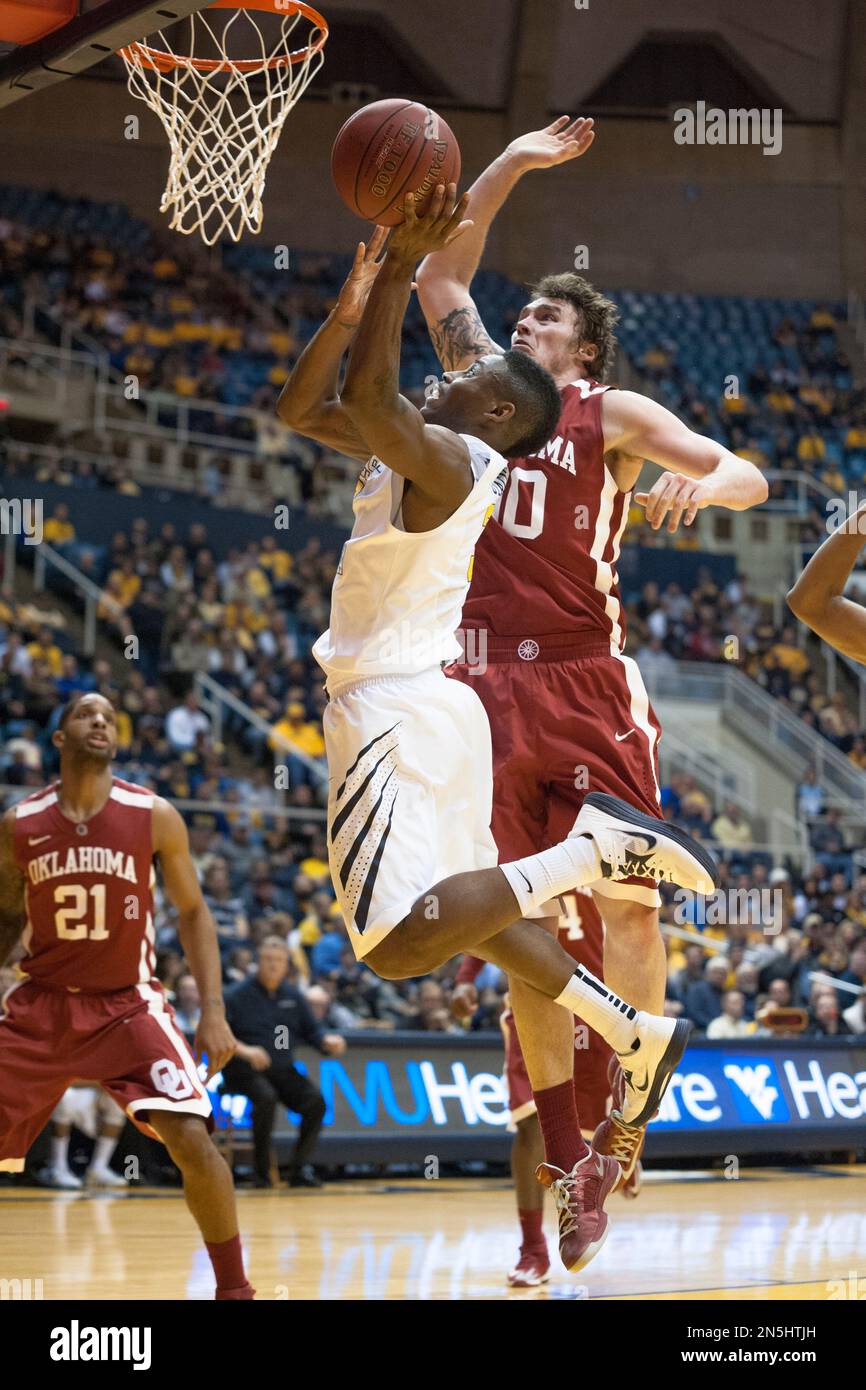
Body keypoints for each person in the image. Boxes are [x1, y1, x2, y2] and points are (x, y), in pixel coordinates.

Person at [278, 188, 718, 1272]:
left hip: (420, 698)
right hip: (448, 693)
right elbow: (307, 408)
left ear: (493, 416)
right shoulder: (438, 434)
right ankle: (623, 1037)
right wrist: (357, 294)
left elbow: (380, 384)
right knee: (453, 932)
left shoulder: (452, 452)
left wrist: (386, 275)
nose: (466, 357)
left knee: (397, 942)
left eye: (471, 373)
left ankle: (595, 870)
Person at [413, 117, 767, 1258]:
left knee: (626, 905)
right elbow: (438, 269)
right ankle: (569, 1158)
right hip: (472, 689)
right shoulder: (478, 387)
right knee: (513, 923)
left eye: (546, 317)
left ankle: (626, 1122)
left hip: (581, 684)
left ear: (583, 350)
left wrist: (697, 492)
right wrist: (511, 161)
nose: (521, 323)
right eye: (518, 314)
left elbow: (743, 474)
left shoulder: (604, 417)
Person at [0, 692, 254, 1300]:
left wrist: (213, 1011)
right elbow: (7, 916)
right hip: (41, 1003)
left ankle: (234, 1291)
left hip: (127, 1005)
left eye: (111, 718)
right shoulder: (19, 824)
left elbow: (193, 913)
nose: (101, 723)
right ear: (59, 740)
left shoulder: (154, 814)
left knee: (193, 1135)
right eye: (86, 716)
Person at [452, 891, 625, 1289]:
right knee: (530, 1123)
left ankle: (621, 1164)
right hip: (533, 998)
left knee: (607, 1127)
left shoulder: (601, 836)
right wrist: (466, 978)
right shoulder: (521, 843)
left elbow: (634, 924)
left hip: (597, 1004)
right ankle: (533, 1248)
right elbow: (495, 916)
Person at [222, 938, 345, 1188]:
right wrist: (245, 1051)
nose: (272, 965)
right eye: (267, 960)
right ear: (258, 962)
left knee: (316, 1102)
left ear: (286, 965)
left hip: (281, 1070)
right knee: (265, 1098)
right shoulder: (236, 995)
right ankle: (261, 1173)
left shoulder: (294, 997)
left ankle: (298, 1170)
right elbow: (220, 1034)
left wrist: (328, 1042)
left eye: (278, 961)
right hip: (243, 1070)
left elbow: (313, 1032)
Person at [44, 1084, 128, 1190]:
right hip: (71, 1088)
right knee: (65, 1097)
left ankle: (98, 1168)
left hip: (97, 1089)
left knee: (116, 1102)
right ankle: (57, 1168)